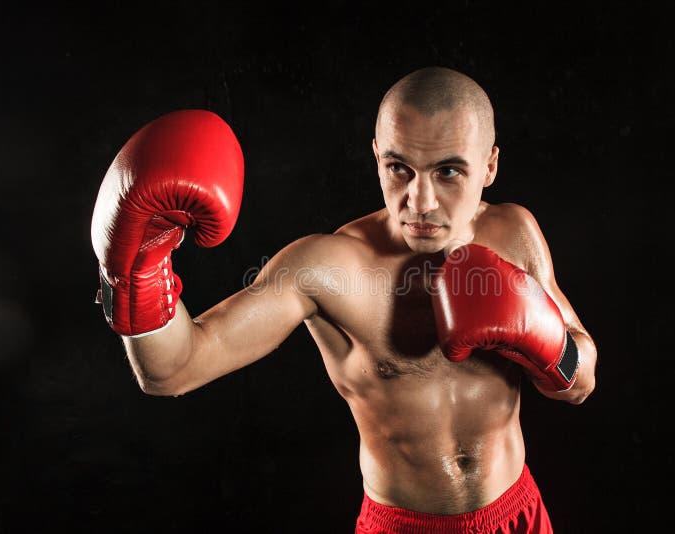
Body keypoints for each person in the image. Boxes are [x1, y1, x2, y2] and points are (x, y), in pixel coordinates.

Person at [91, 67, 597, 534]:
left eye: (448, 172)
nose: (419, 202)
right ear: (377, 155)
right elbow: (172, 370)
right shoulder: (327, 268)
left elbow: (580, 383)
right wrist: (136, 270)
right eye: (400, 168)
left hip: (518, 515)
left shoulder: (514, 231)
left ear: (489, 166)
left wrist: (552, 346)